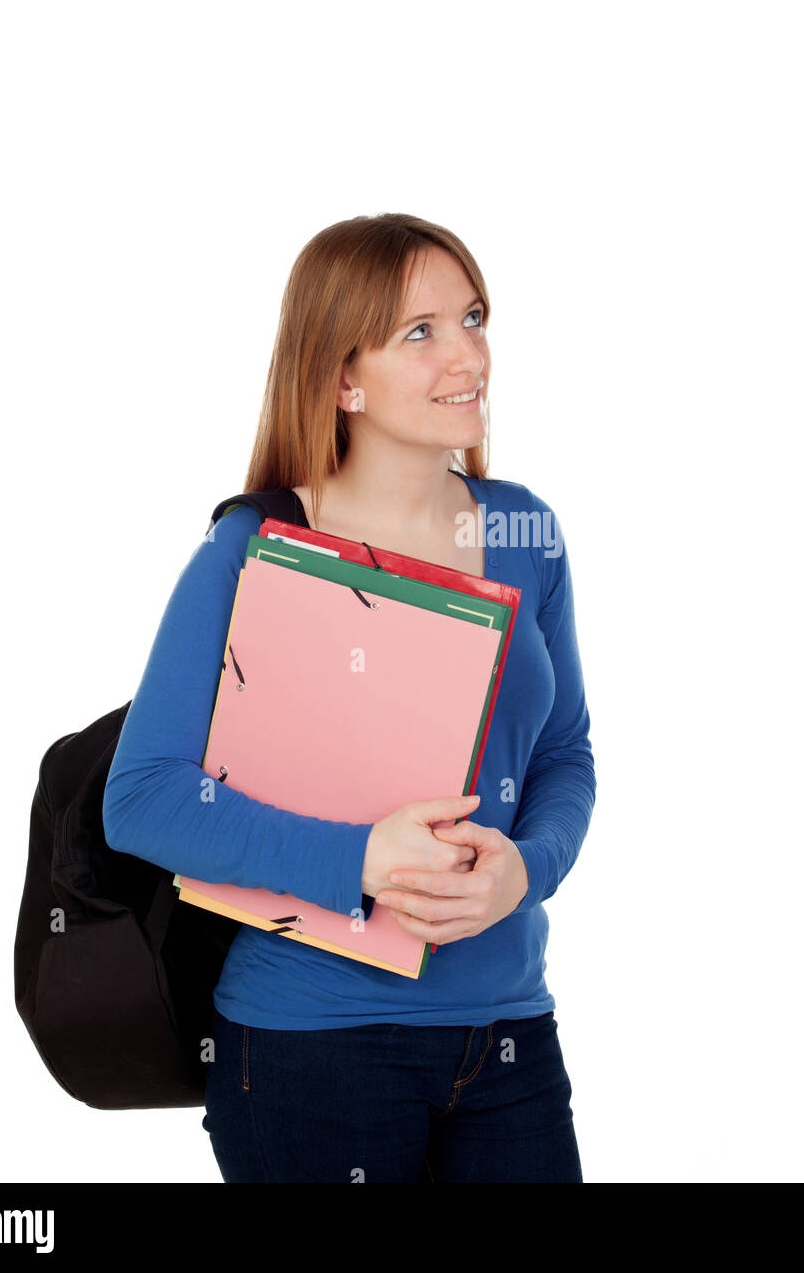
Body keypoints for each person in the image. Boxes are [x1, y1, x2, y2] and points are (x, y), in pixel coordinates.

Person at [102, 212, 596, 1183]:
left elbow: (564, 753)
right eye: (420, 332)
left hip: (507, 1036)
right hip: (310, 1048)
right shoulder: (251, 549)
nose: (468, 355)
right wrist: (360, 857)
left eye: (473, 317)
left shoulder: (524, 529)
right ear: (342, 377)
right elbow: (145, 796)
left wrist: (526, 870)